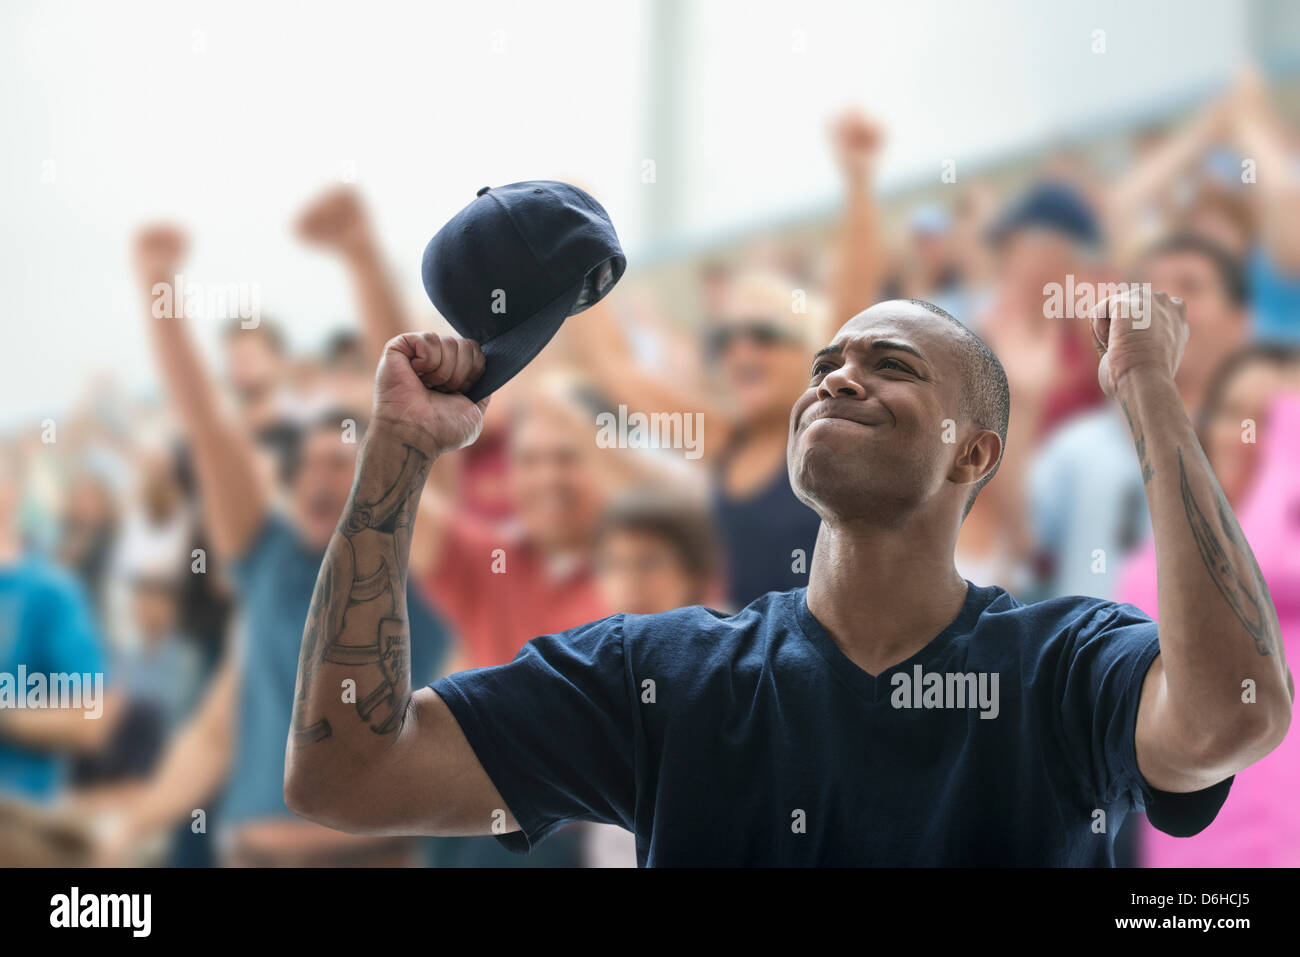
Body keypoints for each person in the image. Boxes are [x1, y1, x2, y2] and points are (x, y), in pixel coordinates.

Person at [285, 291, 1293, 866]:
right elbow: (349, 774)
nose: (837, 376)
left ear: (972, 455)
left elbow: (1232, 714)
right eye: (827, 360)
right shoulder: (661, 675)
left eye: (888, 363)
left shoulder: (1065, 665)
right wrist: (400, 448)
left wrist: (1149, 390)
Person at [99, 221, 450, 867]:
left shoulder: (413, 564)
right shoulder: (269, 562)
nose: (327, 473)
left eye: (347, 464)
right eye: (312, 463)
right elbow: (207, 426)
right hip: (255, 854)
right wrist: (157, 283)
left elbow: (416, 416)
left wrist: (362, 256)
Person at [1118, 345, 1300, 866]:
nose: (1248, 437)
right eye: (1234, 413)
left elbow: (1269, 564)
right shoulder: (1157, 566)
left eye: (1276, 422)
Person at [1029, 234, 1251, 600]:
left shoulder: (1262, 443)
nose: (1159, 304)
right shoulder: (1077, 444)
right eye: (1143, 290)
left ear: (1240, 322)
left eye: (1190, 287)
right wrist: (1022, 404)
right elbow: (1015, 554)